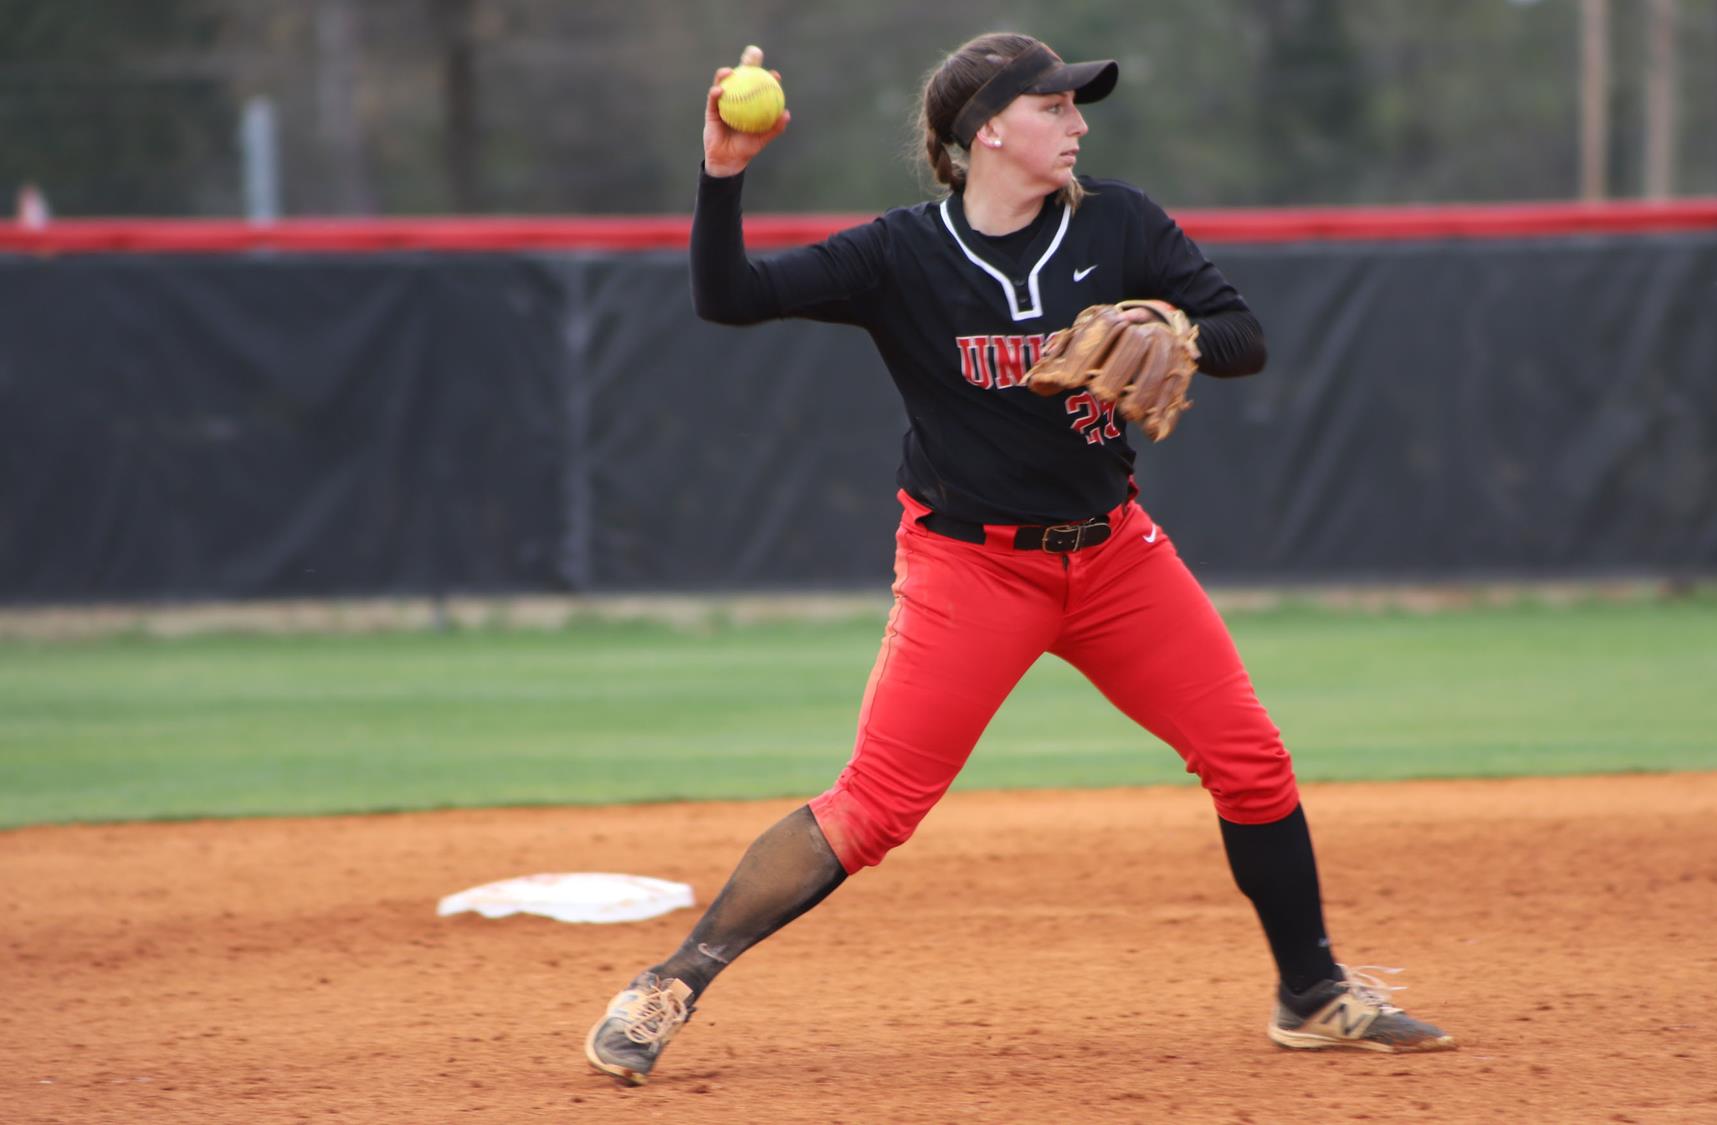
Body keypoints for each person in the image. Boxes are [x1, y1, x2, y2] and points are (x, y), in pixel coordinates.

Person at [584, 32, 1457, 1087]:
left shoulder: (1119, 223)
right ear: (986, 130)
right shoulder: (898, 254)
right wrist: (723, 175)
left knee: (1249, 759)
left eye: (1075, 106)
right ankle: (670, 982)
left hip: (1115, 560)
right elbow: (728, 296)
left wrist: (1169, 319)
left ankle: (1310, 994)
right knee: (873, 809)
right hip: (971, 570)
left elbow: (1242, 336)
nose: (1077, 123)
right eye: (1054, 106)